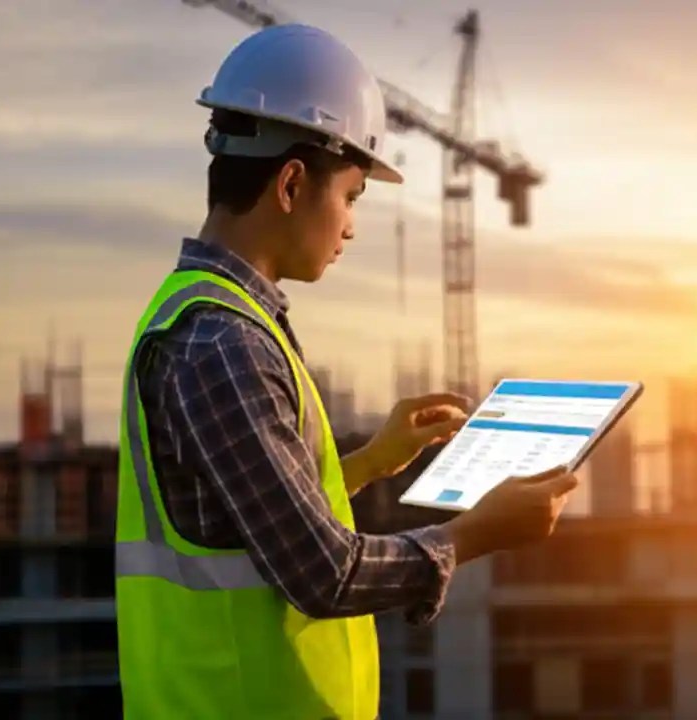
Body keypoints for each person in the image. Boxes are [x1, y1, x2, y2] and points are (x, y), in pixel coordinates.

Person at [113, 23, 579, 720]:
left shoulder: (219, 321)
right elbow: (323, 573)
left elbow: (242, 514)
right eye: (354, 195)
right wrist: (478, 532)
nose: (353, 227)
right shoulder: (221, 343)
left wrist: (371, 462)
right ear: (294, 183)